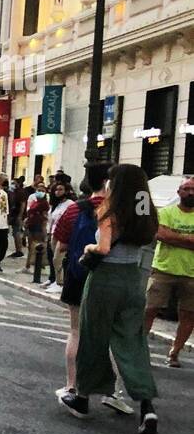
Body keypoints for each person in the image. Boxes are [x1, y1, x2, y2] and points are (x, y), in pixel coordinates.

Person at [63, 164, 160, 434]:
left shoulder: (108, 209)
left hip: (105, 280)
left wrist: (87, 248)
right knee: (133, 340)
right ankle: (147, 406)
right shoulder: (147, 213)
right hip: (133, 281)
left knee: (93, 336)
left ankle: (82, 397)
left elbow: (103, 247)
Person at [54, 163, 133, 419]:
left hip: (79, 276)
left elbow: (60, 246)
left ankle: (73, 386)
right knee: (110, 336)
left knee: (76, 331)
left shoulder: (73, 210)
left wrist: (58, 274)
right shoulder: (123, 211)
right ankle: (112, 392)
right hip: (112, 277)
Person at [145, 175, 194, 367]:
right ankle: (138, 348)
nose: (191, 193)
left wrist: (175, 237)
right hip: (163, 269)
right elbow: (161, 235)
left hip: (191, 272)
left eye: (193, 190)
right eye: (187, 189)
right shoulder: (166, 212)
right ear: (179, 192)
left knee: (188, 314)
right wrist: (189, 239)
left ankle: (175, 352)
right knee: (149, 309)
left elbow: (169, 235)